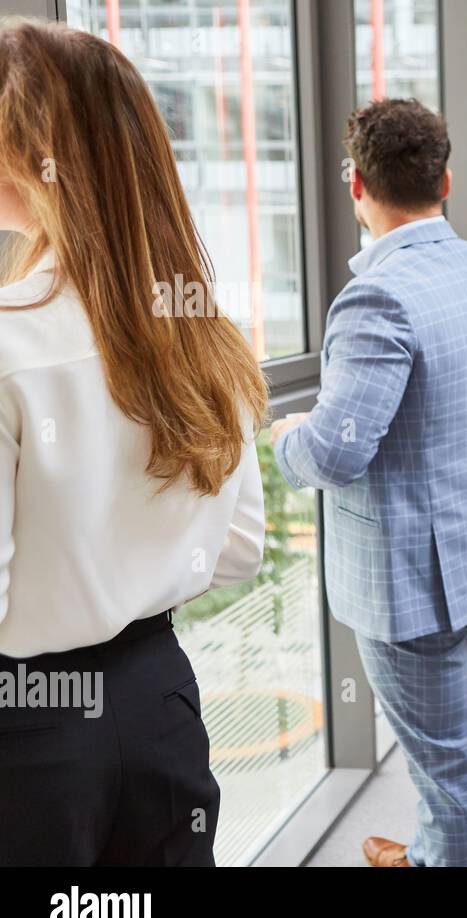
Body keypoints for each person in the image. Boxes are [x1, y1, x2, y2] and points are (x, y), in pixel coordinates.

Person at [0, 19, 266, 865]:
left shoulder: (9, 344)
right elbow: (239, 555)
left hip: (31, 731)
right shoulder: (205, 334)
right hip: (161, 703)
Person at [271, 98, 467, 867]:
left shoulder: (376, 297)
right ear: (445, 181)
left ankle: (444, 852)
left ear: (356, 186)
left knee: (449, 769)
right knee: (451, 741)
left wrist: (289, 436)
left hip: (409, 589)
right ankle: (425, 854)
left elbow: (334, 455)